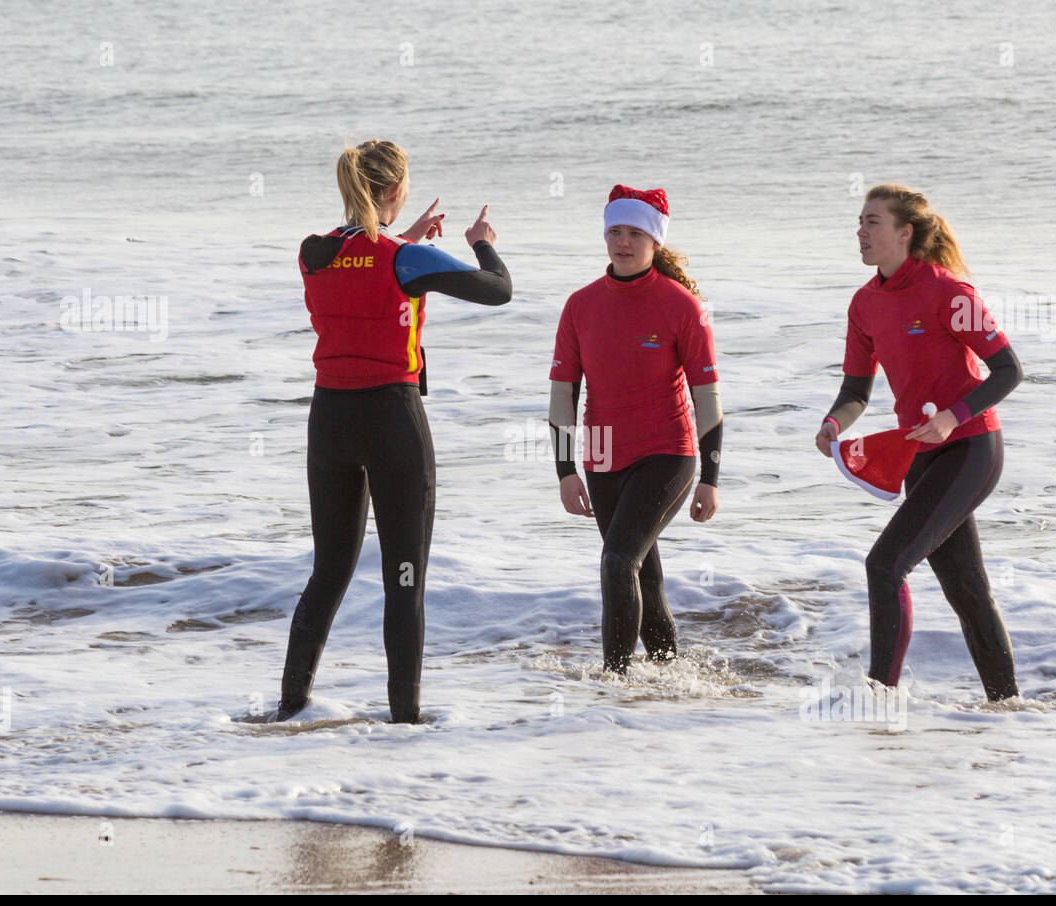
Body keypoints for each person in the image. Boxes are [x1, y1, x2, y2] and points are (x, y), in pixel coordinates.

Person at [277, 139, 512, 723]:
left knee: (329, 571)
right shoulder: (407, 260)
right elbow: (498, 289)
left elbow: (365, 260)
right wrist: (481, 242)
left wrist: (405, 233)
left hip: (329, 421)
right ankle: (404, 724)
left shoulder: (313, 252)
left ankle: (289, 709)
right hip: (392, 423)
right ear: (392, 191)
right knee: (403, 578)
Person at [814, 184, 1022, 701]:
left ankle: (878, 697)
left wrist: (954, 417)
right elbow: (855, 390)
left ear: (905, 232)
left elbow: (1008, 370)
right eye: (859, 223)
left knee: (884, 564)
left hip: (971, 446)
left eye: (873, 223)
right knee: (968, 592)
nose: (861, 232)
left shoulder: (949, 291)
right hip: (920, 455)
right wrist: (834, 424)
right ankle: (1008, 706)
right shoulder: (864, 304)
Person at [549, 185, 722, 673]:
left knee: (617, 560)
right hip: (602, 453)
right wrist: (565, 471)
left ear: (655, 242)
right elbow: (563, 395)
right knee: (641, 573)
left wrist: (710, 477)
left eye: (635, 233)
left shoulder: (681, 306)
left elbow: (707, 399)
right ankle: (669, 676)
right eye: (615, 231)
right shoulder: (580, 305)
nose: (623, 242)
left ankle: (614, 682)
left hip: (668, 450)